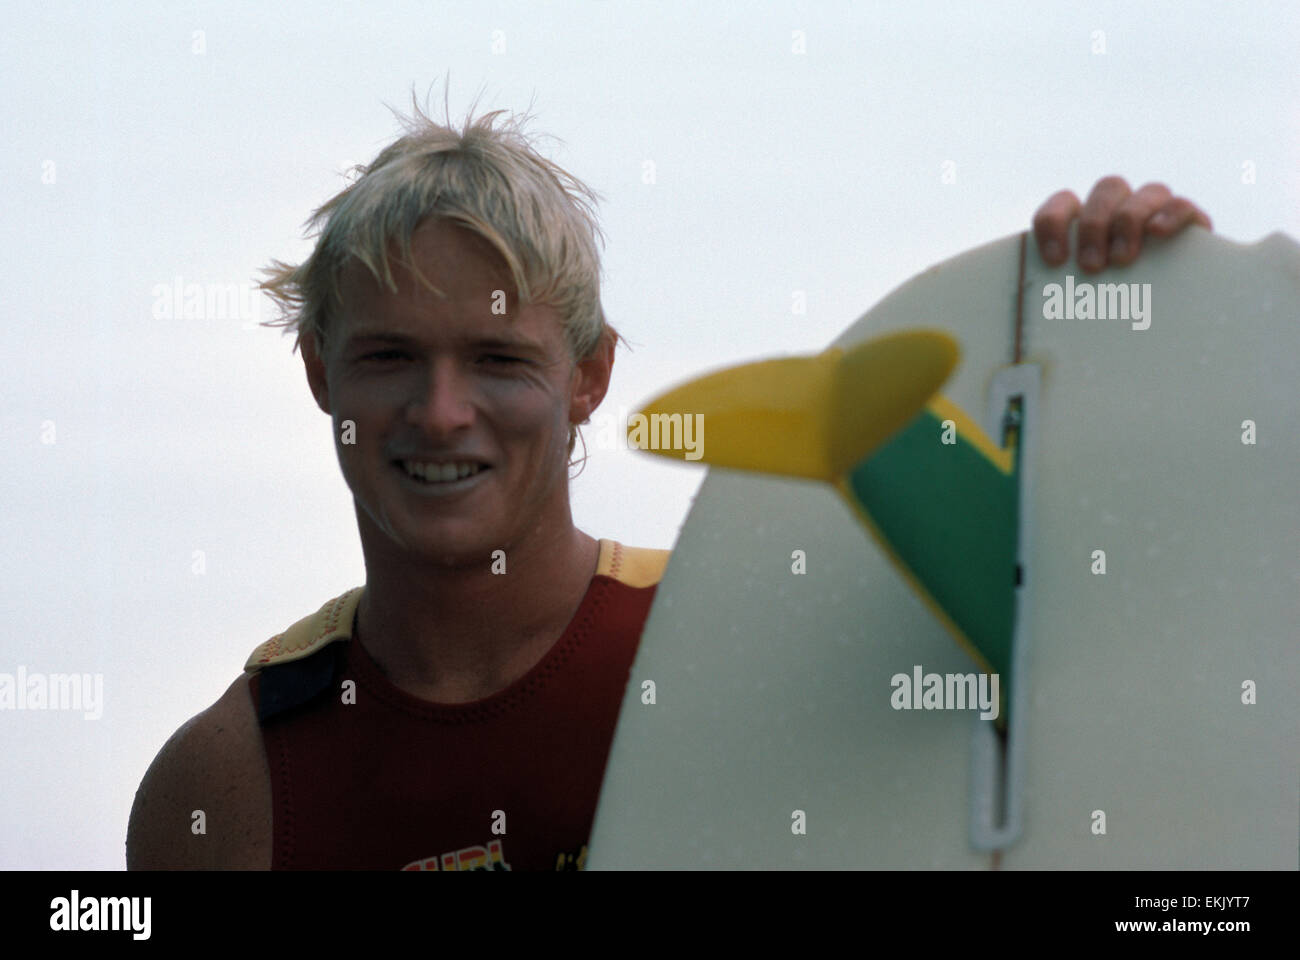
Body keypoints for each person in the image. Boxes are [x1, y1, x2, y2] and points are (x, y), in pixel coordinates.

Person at [125, 96, 1211, 871]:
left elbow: (1115, 694)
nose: (442, 411)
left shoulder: (750, 653)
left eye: (498, 361)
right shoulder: (232, 785)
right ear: (320, 371)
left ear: (590, 377)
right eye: (390, 356)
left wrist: (1140, 319)